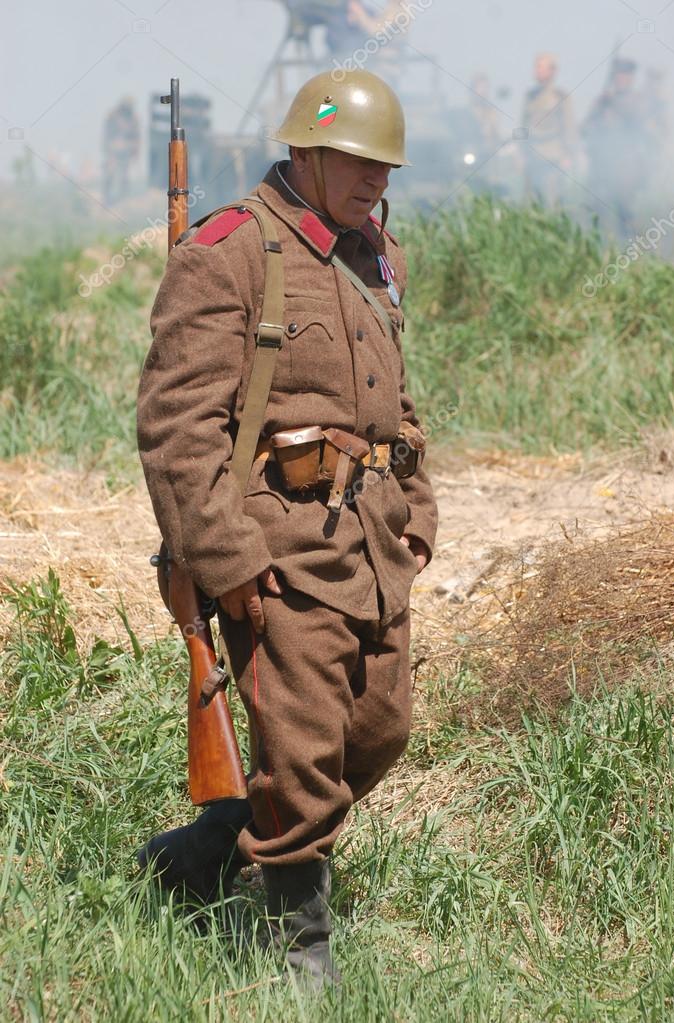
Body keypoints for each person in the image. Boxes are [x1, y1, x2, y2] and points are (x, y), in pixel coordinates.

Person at [136, 69, 438, 986]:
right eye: (356, 160)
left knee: (380, 728)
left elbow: (394, 399)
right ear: (304, 151)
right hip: (276, 550)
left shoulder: (371, 250)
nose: (375, 179)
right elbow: (177, 426)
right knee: (303, 753)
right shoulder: (230, 251)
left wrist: (418, 508)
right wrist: (225, 556)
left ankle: (214, 846)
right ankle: (297, 951)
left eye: (385, 165)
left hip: (372, 539)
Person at [582, 58, 649, 238]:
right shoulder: (602, 100)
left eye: (624, 75)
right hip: (601, 164)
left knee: (625, 210)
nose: (620, 79)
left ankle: (634, 245)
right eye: (618, 75)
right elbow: (586, 126)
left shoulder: (637, 100)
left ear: (630, 78)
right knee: (597, 209)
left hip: (626, 165)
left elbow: (638, 122)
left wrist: (614, 104)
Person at [520, 53, 578, 206]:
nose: (536, 71)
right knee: (530, 202)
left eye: (541, 67)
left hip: (553, 158)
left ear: (552, 71)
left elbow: (569, 128)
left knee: (552, 203)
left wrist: (568, 155)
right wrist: (520, 153)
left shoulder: (560, 96)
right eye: (536, 67)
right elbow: (523, 127)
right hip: (532, 158)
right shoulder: (530, 96)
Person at [102, 97, 140, 206]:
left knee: (125, 175)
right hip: (113, 150)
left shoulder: (133, 118)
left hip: (126, 151)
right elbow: (107, 135)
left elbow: (136, 137)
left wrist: (134, 151)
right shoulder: (113, 116)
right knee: (110, 173)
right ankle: (107, 199)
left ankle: (123, 199)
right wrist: (110, 149)